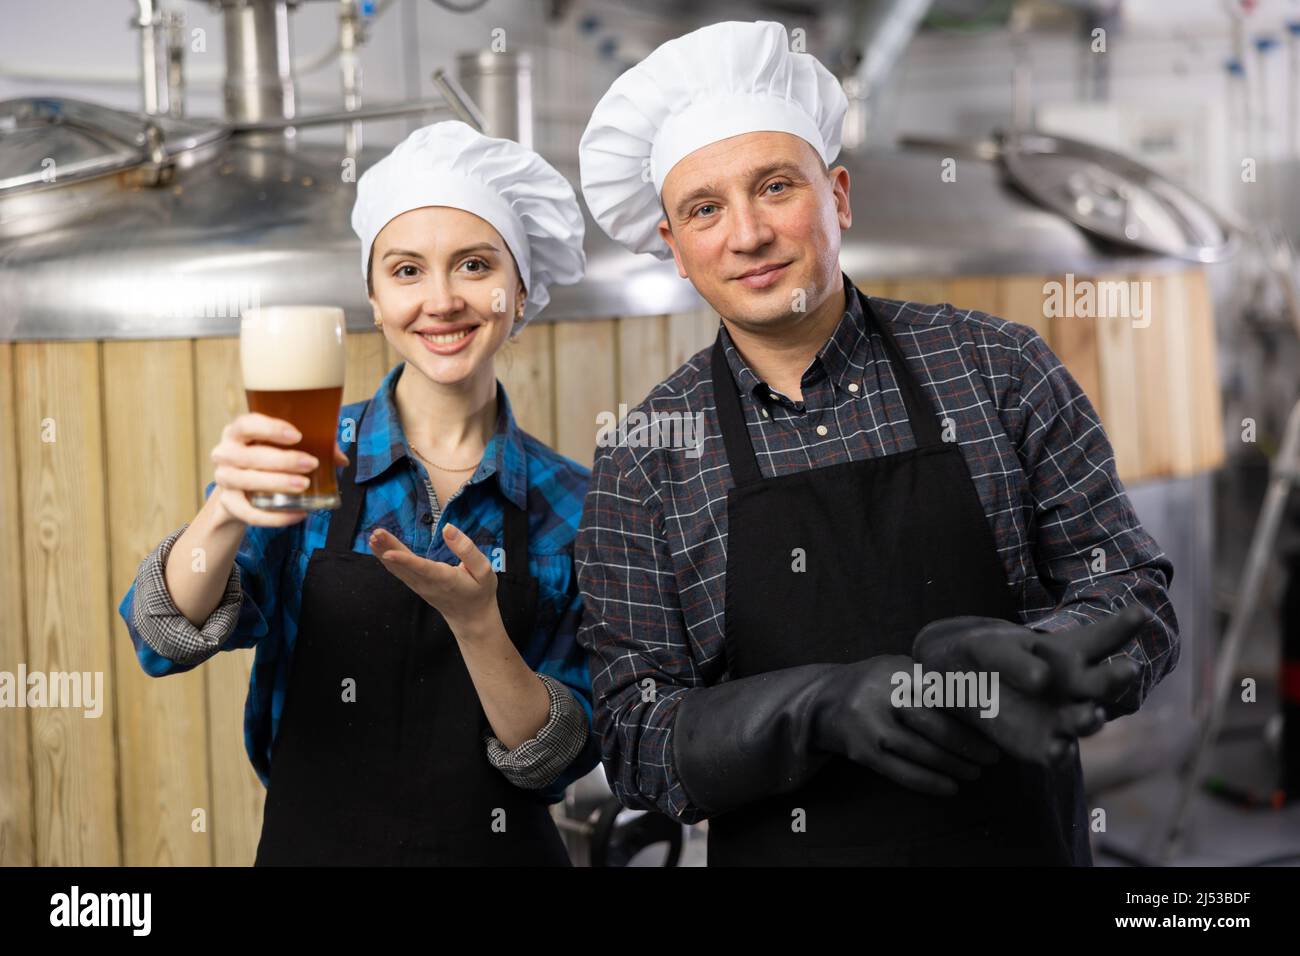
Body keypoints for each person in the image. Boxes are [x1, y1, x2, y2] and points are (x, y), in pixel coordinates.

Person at [574, 20, 1179, 866]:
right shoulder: (644, 460)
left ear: (840, 196)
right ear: (675, 248)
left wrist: (1045, 660)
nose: (746, 235)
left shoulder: (999, 369)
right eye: (705, 209)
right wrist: (819, 705)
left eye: (776, 186)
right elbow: (634, 737)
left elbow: (1134, 596)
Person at [118, 120, 599, 866]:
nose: (440, 301)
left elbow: (555, 760)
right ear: (373, 297)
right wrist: (219, 515)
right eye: (406, 271)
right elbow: (160, 639)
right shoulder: (302, 454)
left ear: (520, 289)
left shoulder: (572, 504)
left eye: (474, 265)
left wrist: (479, 627)